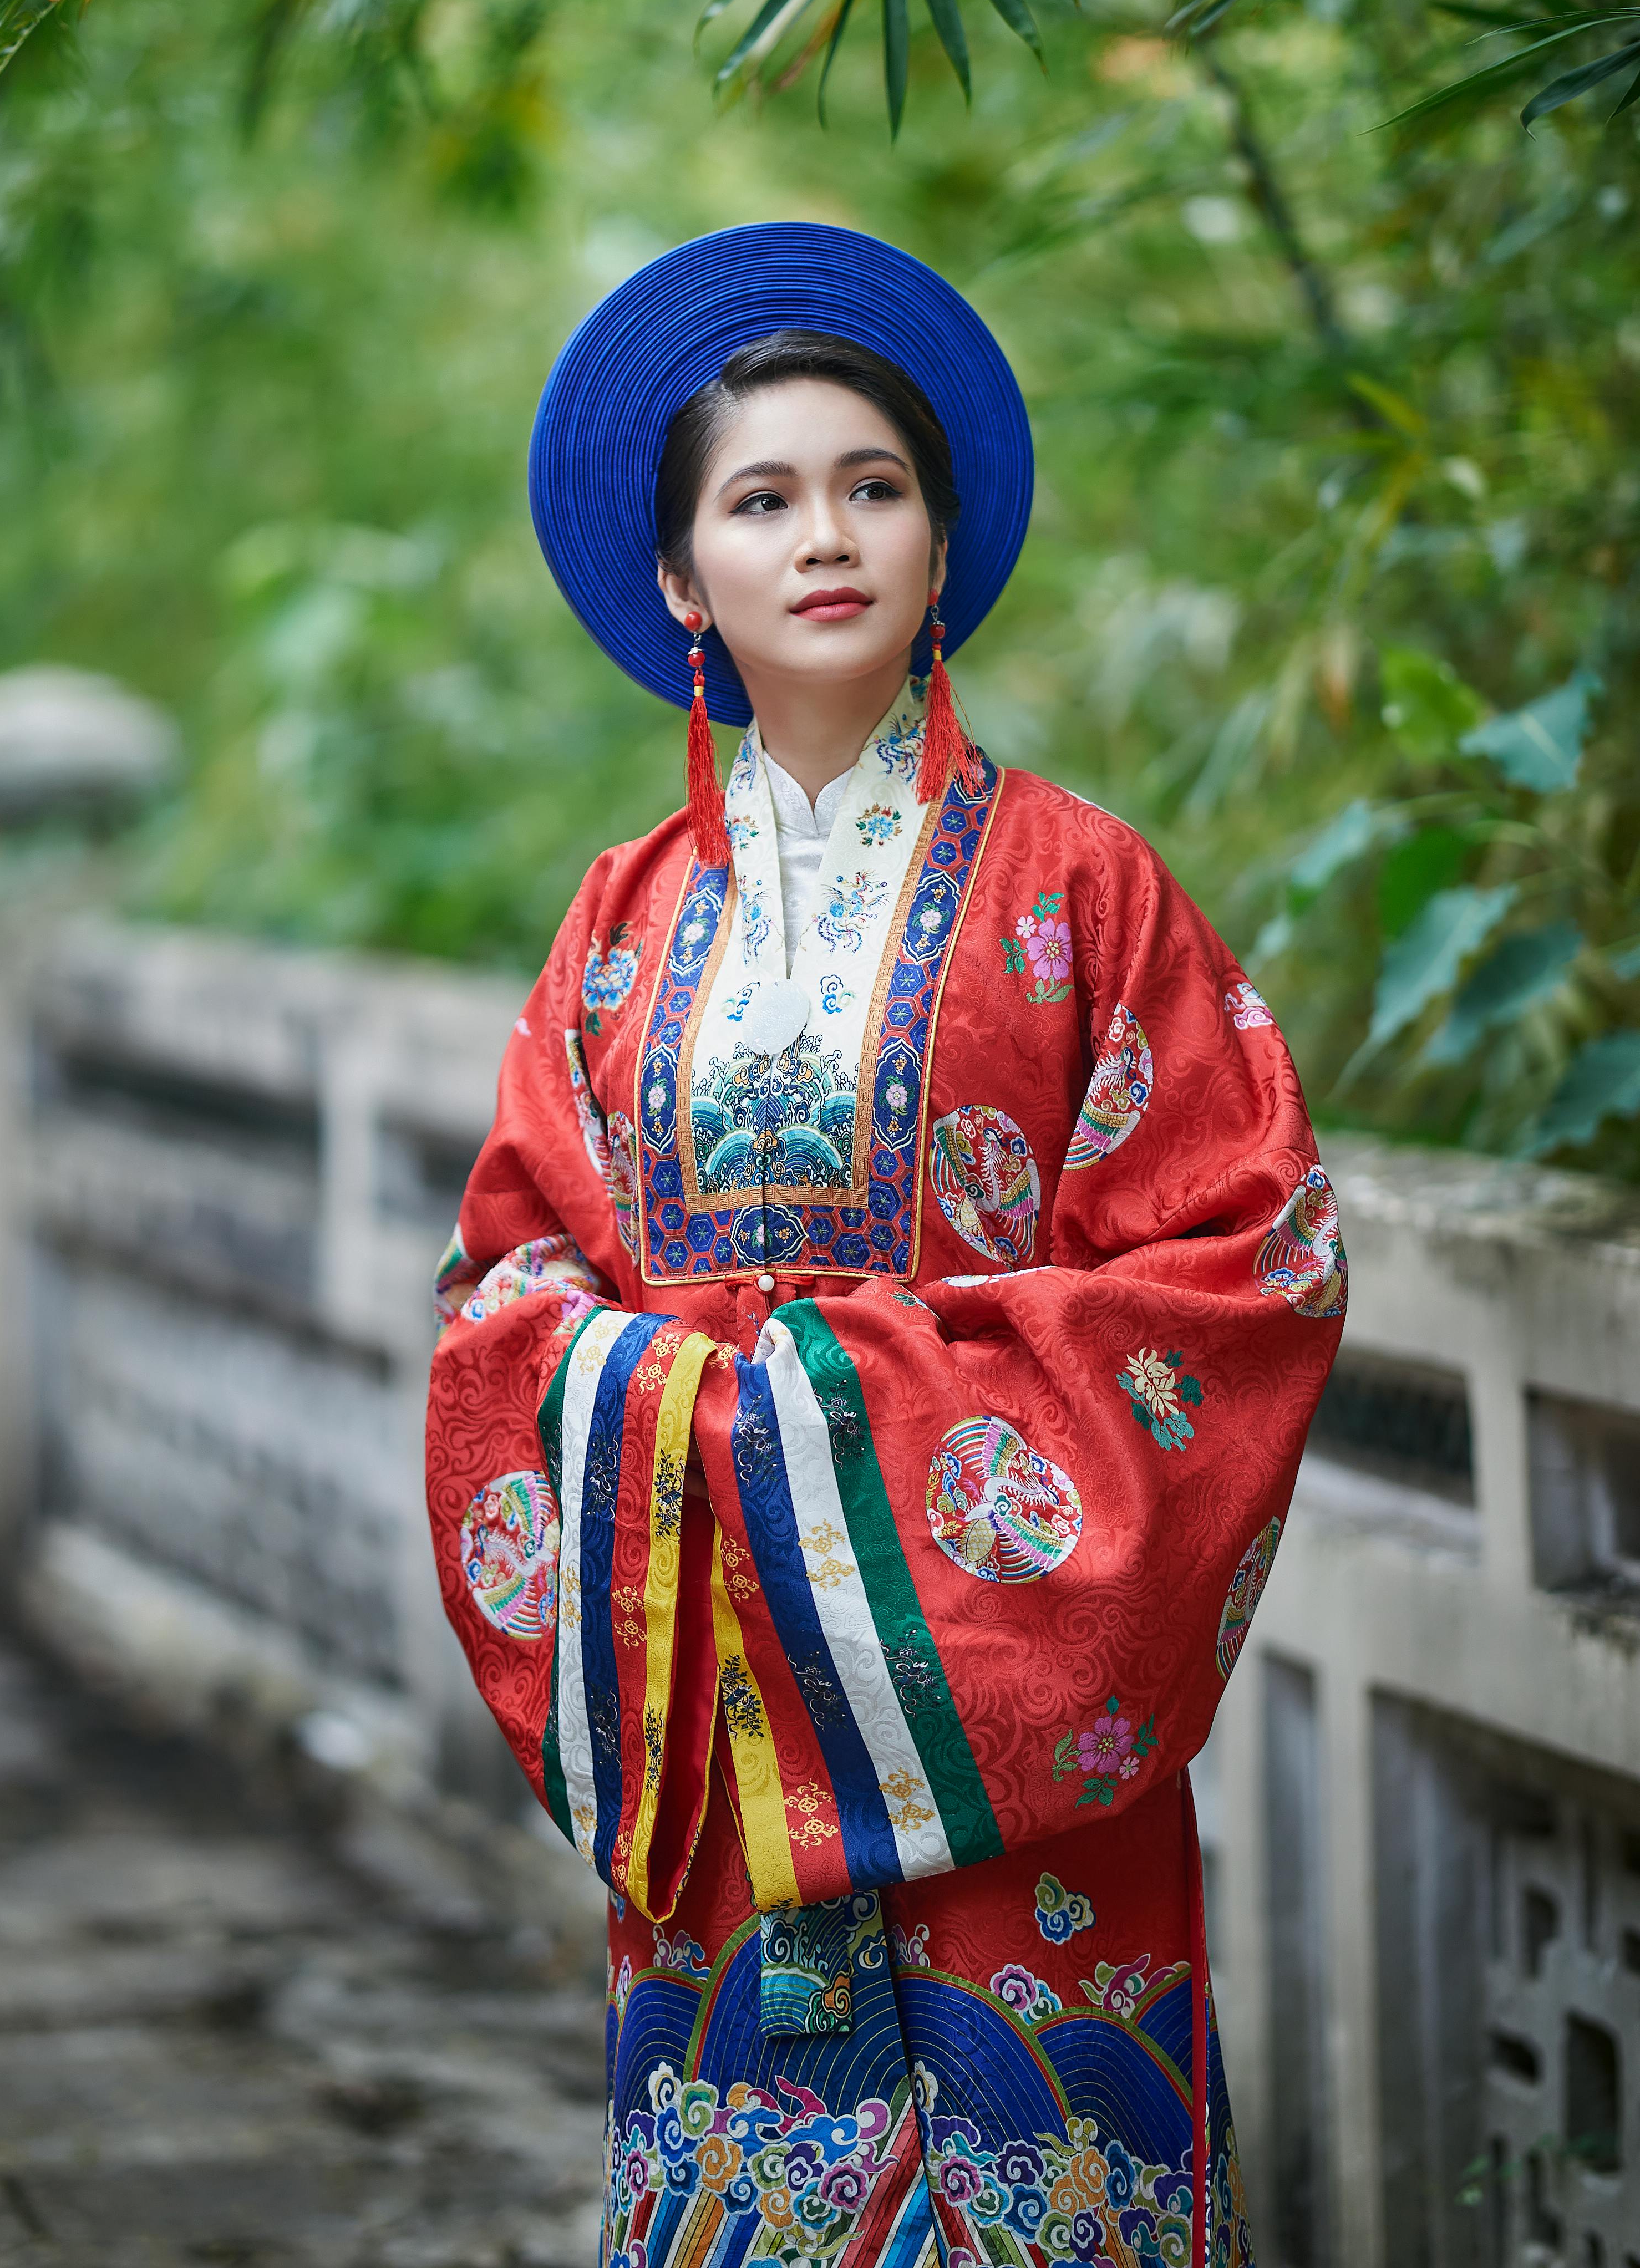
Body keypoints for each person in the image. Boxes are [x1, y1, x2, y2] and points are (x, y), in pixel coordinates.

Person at [424, 223, 1345, 2268]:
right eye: (762, 499)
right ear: (683, 581)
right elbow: (507, 1281)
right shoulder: (618, 924)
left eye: (875, 487)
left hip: (1014, 1706)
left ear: (940, 544)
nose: (825, 535)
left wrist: (839, 1412)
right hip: (719, 1707)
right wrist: (661, 1411)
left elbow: (1240, 1256)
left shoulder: (1087, 894)